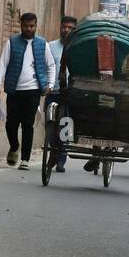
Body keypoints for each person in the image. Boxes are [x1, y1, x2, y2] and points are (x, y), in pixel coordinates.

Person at [0, 13, 56, 170]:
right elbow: (3, 64)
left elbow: (51, 65)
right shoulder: (12, 43)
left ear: (36, 25)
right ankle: (14, 147)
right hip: (14, 90)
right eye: (26, 25)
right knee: (11, 124)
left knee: (28, 125)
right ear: (21, 25)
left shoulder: (42, 44)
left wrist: (51, 84)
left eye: (32, 26)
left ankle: (25, 159)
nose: (29, 28)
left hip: (33, 90)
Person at [47, 15, 78, 172]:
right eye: (64, 27)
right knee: (51, 126)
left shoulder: (79, 47)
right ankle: (53, 152)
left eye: (70, 28)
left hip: (70, 93)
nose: (66, 30)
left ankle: (61, 159)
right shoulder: (50, 46)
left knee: (65, 125)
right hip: (54, 91)